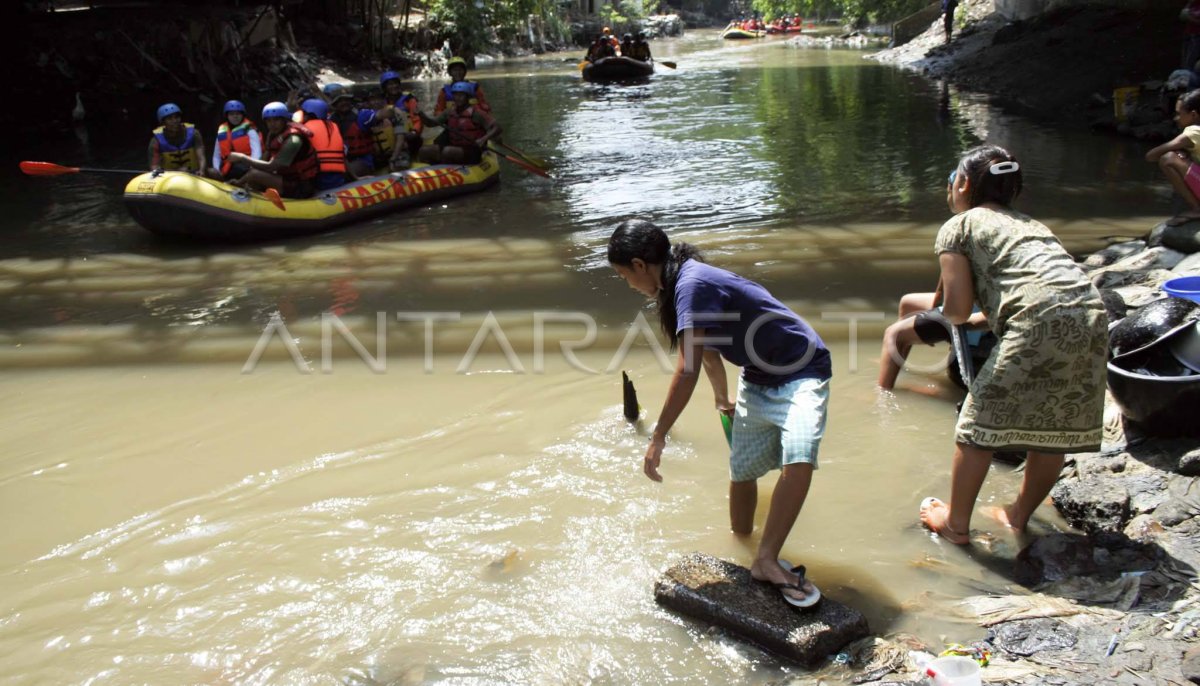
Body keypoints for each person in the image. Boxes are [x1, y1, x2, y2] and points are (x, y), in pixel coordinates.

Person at [607, 219, 832, 607]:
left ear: (640, 265)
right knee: (742, 472)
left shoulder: (692, 284)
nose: (629, 285)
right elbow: (707, 348)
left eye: (624, 275)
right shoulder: (679, 286)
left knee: (799, 455)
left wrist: (658, 435)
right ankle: (742, 545)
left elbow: (687, 367)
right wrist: (721, 397)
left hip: (802, 368)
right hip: (759, 376)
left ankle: (765, 559)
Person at [918, 145, 1107, 545]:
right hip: (1090, 314)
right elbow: (1037, 286)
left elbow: (954, 309)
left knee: (974, 427)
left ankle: (955, 527)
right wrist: (983, 318)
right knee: (1052, 425)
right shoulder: (1030, 225)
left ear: (963, 183)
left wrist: (958, 319)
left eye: (952, 180)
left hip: (1037, 321)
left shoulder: (960, 225)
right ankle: (1017, 516)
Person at [877, 292, 989, 392]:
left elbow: (955, 309)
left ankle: (882, 393)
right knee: (908, 303)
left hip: (980, 311)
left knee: (894, 334)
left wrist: (934, 323)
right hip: (974, 298)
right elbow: (946, 283)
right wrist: (930, 315)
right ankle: (894, 362)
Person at [228, 101, 317, 199]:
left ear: (284, 120)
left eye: (276, 120)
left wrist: (242, 158)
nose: (272, 124)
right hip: (286, 178)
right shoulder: (273, 134)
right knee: (253, 172)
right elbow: (265, 157)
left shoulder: (293, 140)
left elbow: (272, 167)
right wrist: (244, 179)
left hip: (301, 186)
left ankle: (245, 191)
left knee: (254, 174)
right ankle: (249, 194)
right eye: (269, 121)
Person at [1147, 89, 1200, 226]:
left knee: (1168, 159)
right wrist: (1184, 153)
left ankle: (1197, 209)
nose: (1175, 118)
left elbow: (1151, 156)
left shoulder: (1193, 132)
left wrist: (1176, 149)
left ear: (1193, 115)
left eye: (1178, 114)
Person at [417, 81, 501, 165]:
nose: (458, 98)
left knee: (448, 151)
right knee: (423, 150)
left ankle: (442, 166)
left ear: (467, 97)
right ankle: (431, 170)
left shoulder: (476, 113)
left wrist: (483, 139)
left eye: (461, 95)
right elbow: (431, 124)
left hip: (472, 150)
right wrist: (420, 114)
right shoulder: (449, 112)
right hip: (454, 146)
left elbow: (497, 128)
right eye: (455, 95)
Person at [324, 84, 377, 178]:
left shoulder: (361, 115)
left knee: (344, 174)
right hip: (344, 160)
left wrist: (393, 110)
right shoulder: (331, 120)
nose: (344, 103)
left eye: (346, 100)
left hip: (363, 160)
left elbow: (380, 114)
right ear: (334, 104)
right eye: (340, 101)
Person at [295, 98, 347, 191]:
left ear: (307, 114)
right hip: (339, 178)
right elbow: (343, 155)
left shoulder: (304, 129)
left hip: (317, 179)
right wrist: (356, 177)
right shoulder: (333, 126)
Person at [380, 70, 424, 171]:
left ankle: (402, 161)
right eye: (390, 84)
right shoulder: (381, 102)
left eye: (395, 83)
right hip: (391, 139)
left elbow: (417, 119)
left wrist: (414, 132)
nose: (393, 86)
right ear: (384, 87)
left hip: (409, 138)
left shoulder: (408, 99)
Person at [148, 102, 207, 175]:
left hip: (194, 173)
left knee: (214, 172)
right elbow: (154, 167)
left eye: (176, 117)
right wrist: (176, 172)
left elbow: (201, 157)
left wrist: (201, 170)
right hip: (169, 177)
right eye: (170, 119)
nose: (175, 121)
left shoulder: (194, 134)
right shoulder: (156, 141)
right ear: (163, 122)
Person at [209, 100, 261, 181]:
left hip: (246, 166)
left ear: (243, 115)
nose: (235, 116)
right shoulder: (222, 131)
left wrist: (252, 169)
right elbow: (216, 155)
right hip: (227, 167)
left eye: (238, 114)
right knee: (211, 172)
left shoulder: (249, 130)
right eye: (231, 114)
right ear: (227, 116)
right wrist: (217, 170)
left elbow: (257, 152)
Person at [1183, 1, 1200, 72]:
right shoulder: (1193, 3)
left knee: (1191, 62)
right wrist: (1189, 3)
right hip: (1189, 35)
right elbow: (1182, 16)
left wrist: (1189, 18)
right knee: (1186, 61)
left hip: (1198, 36)